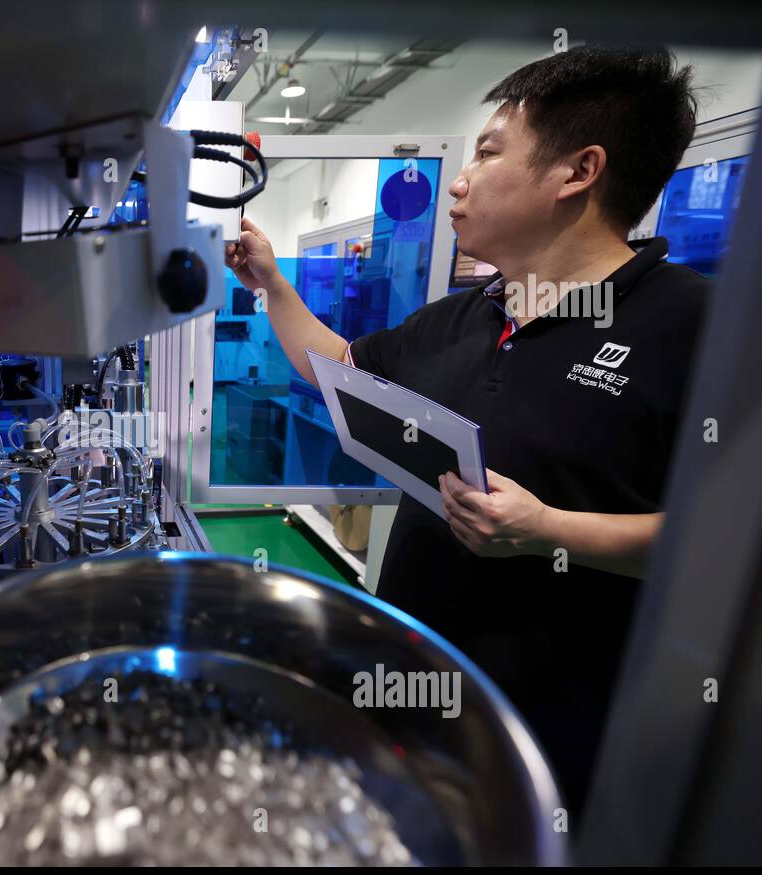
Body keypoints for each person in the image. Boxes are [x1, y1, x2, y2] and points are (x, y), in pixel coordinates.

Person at [226, 46, 707, 814]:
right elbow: (342, 370)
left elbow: (727, 541)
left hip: (555, 742)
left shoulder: (695, 327)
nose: (460, 177)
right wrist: (273, 284)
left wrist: (552, 530)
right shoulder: (467, 314)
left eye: (487, 152)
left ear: (577, 171)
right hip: (414, 706)